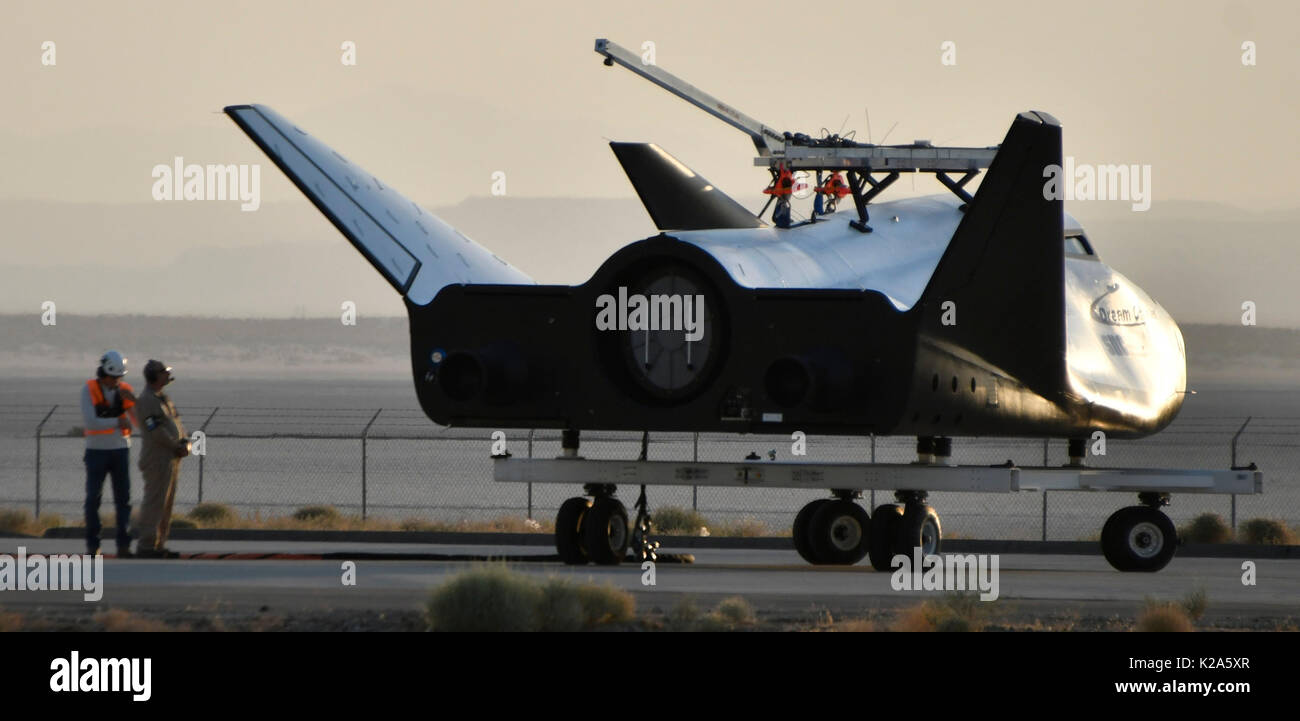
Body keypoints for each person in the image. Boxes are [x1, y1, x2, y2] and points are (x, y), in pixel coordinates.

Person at [81, 350, 137, 557]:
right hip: (96, 451)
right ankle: (93, 545)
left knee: (124, 500)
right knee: (92, 500)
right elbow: (91, 421)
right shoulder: (89, 389)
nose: (116, 381)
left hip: (121, 450)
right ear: (103, 373)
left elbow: (138, 422)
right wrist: (117, 422)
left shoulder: (125, 390)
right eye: (113, 377)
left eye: (119, 377)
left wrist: (135, 401)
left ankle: (124, 545)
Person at [134, 360, 189, 558]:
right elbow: (155, 430)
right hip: (157, 459)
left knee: (166, 504)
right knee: (154, 502)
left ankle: (159, 545)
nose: (167, 375)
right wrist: (175, 445)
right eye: (163, 372)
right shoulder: (147, 400)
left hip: (171, 458)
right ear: (154, 376)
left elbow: (176, 423)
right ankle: (147, 545)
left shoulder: (163, 398)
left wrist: (185, 443)